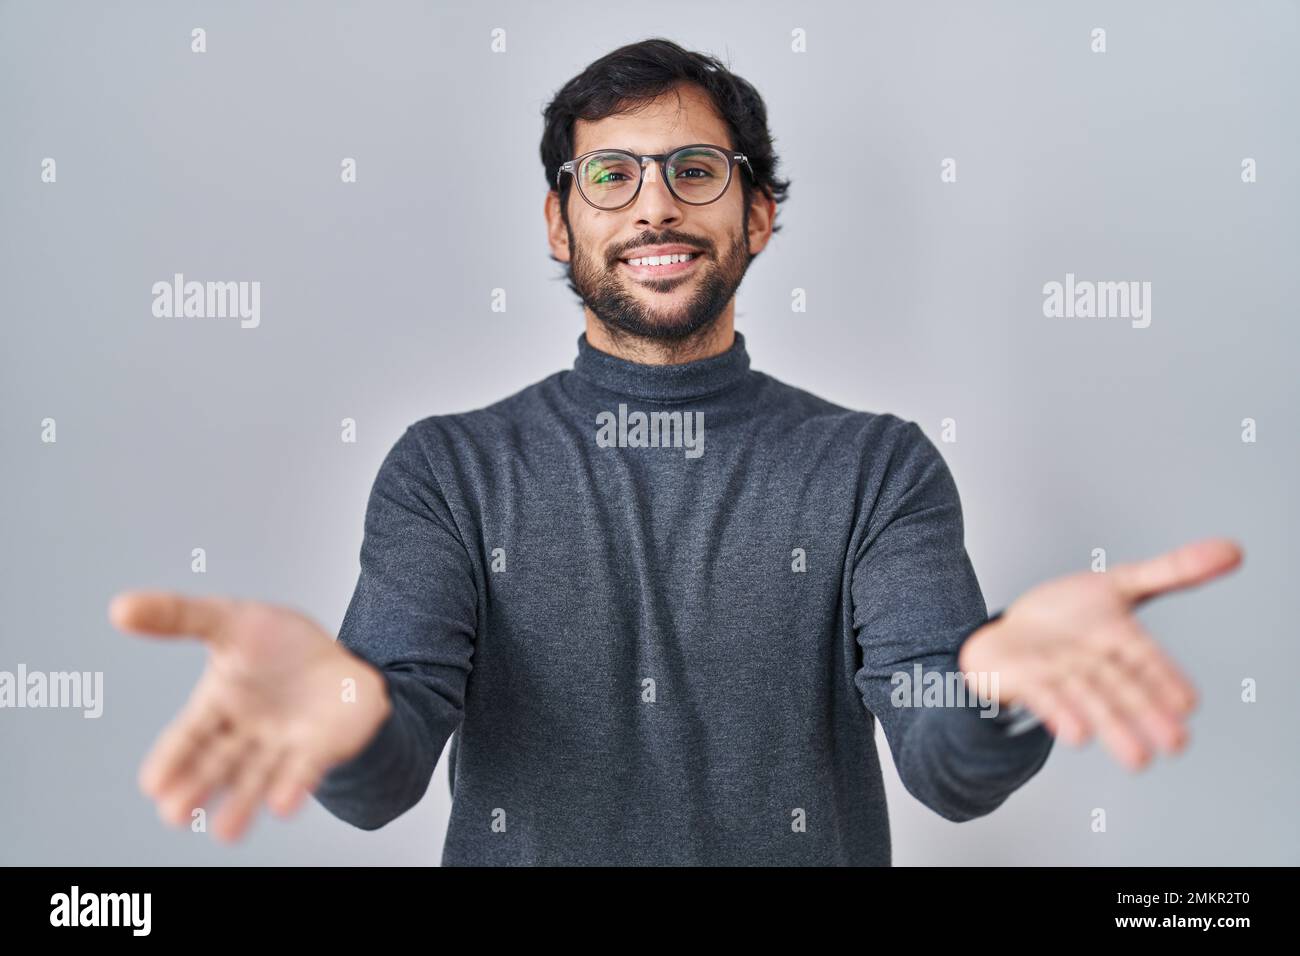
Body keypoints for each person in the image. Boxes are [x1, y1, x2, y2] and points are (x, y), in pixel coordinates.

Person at [108, 38, 1243, 865]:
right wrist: (348, 708)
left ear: (756, 214)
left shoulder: (874, 469)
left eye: (695, 171)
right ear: (561, 224)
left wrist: (996, 682)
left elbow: (949, 766)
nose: (654, 207)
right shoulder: (445, 469)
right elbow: (383, 775)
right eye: (612, 176)